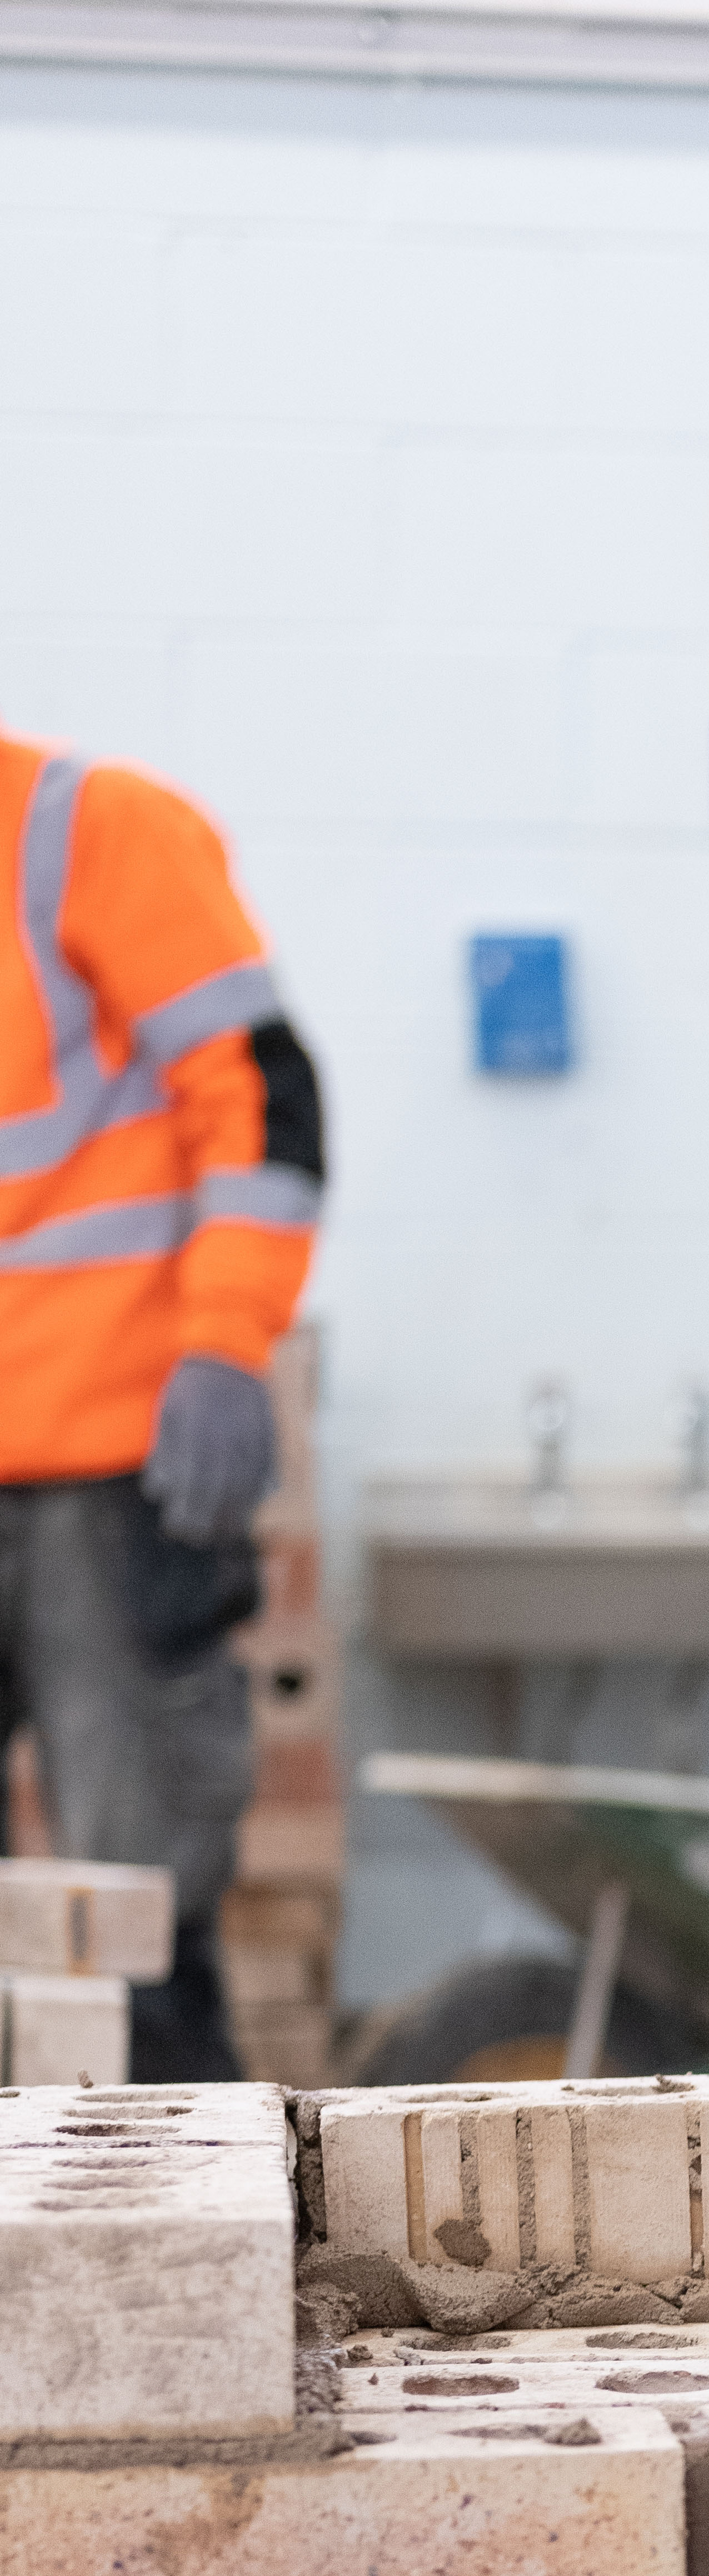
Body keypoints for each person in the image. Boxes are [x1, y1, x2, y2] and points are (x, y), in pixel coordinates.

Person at [0, 727, 324, 2079]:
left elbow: (258, 1089)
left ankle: (190, 2265)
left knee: (134, 1926)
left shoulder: (80, 827)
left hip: (108, 1463)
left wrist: (225, 1340)